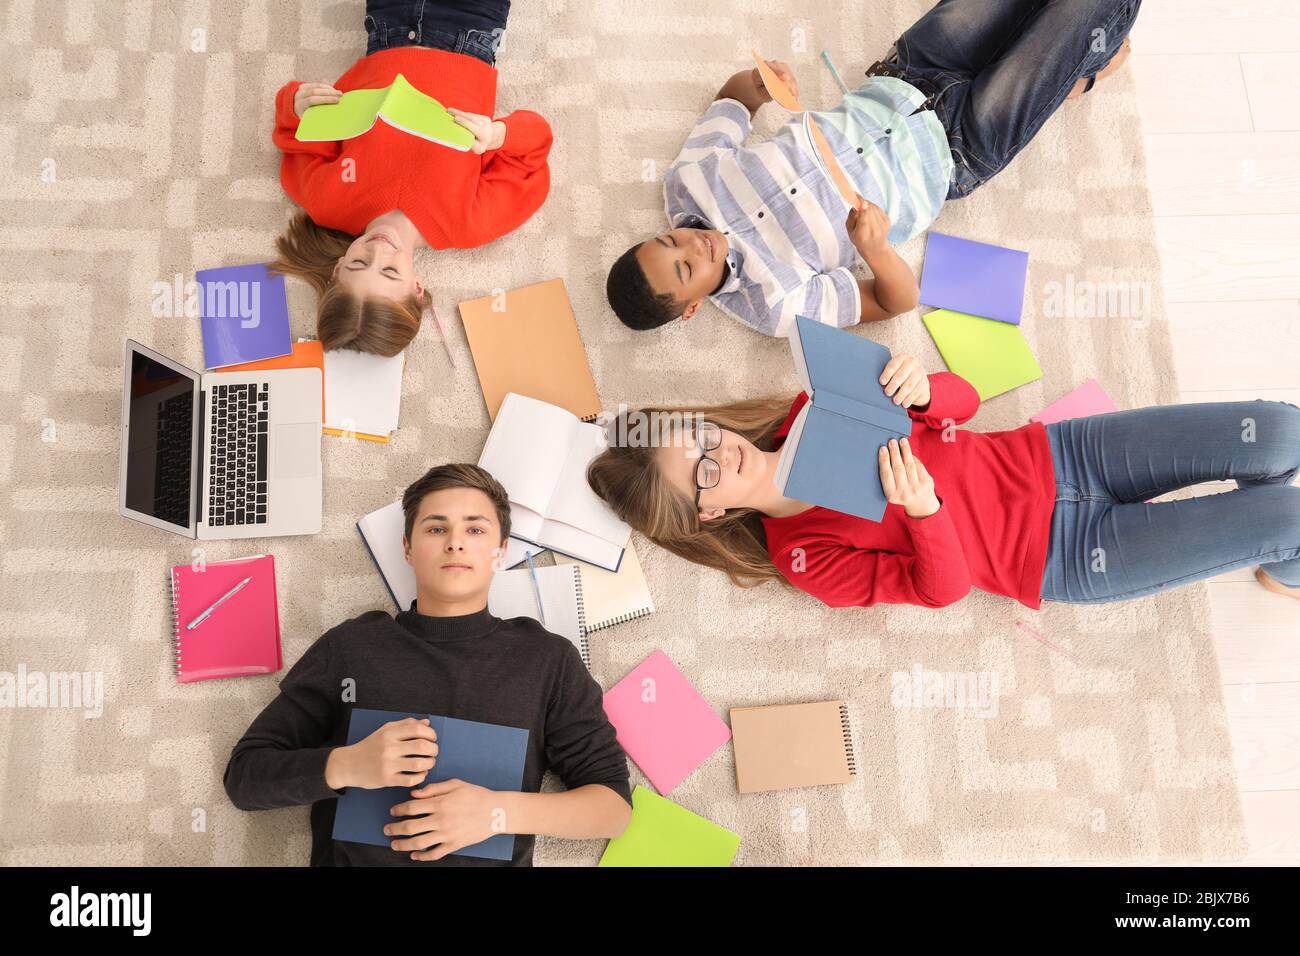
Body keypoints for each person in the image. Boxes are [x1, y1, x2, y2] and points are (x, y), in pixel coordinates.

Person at [586, 357, 1300, 609]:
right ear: (709, 515)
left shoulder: (817, 406)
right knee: (1286, 519)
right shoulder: (804, 559)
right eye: (703, 473)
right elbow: (943, 591)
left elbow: (964, 406)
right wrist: (923, 512)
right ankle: (1283, 562)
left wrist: (925, 390)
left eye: (704, 439)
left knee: (1282, 433)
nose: (724, 455)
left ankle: (1270, 543)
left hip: (1067, 454)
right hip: (1068, 554)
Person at [605, 0, 1139, 337]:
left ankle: (1075, 77)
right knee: (1083, 11)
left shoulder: (689, 180)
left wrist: (759, 85)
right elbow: (894, 301)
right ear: (693, 308)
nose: (692, 246)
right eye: (685, 269)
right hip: (956, 150)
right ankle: (1078, 72)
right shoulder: (774, 305)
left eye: (669, 241)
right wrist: (876, 251)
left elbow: (735, 101)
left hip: (905, 74)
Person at [224, 463, 632, 865]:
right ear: (408, 548)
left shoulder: (548, 659)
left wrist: (496, 812)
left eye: (475, 529)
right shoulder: (352, 645)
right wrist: (347, 764)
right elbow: (244, 779)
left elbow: (613, 808)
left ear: (500, 552)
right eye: (436, 528)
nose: (455, 543)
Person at [270, 1, 551, 355]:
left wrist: (294, 105)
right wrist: (499, 134)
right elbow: (535, 154)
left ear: (337, 268)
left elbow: (294, 136)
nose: (378, 250)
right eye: (389, 271)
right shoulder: (466, 223)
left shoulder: (327, 203)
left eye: (359, 263)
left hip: (388, 26)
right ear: (417, 288)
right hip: (470, 31)